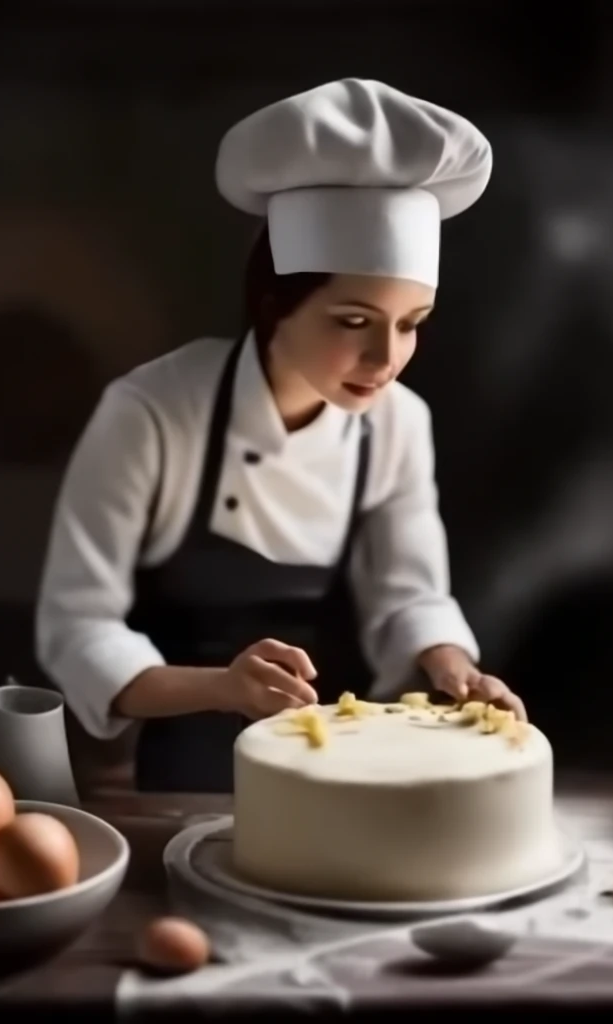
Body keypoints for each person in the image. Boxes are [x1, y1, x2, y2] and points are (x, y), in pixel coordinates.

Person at [35, 79, 526, 794]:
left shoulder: (398, 424)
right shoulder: (151, 413)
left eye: (412, 323)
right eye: (353, 321)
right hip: (178, 771)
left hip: (339, 762)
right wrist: (225, 688)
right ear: (274, 305)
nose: (386, 358)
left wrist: (455, 668)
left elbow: (408, 595)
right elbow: (77, 627)